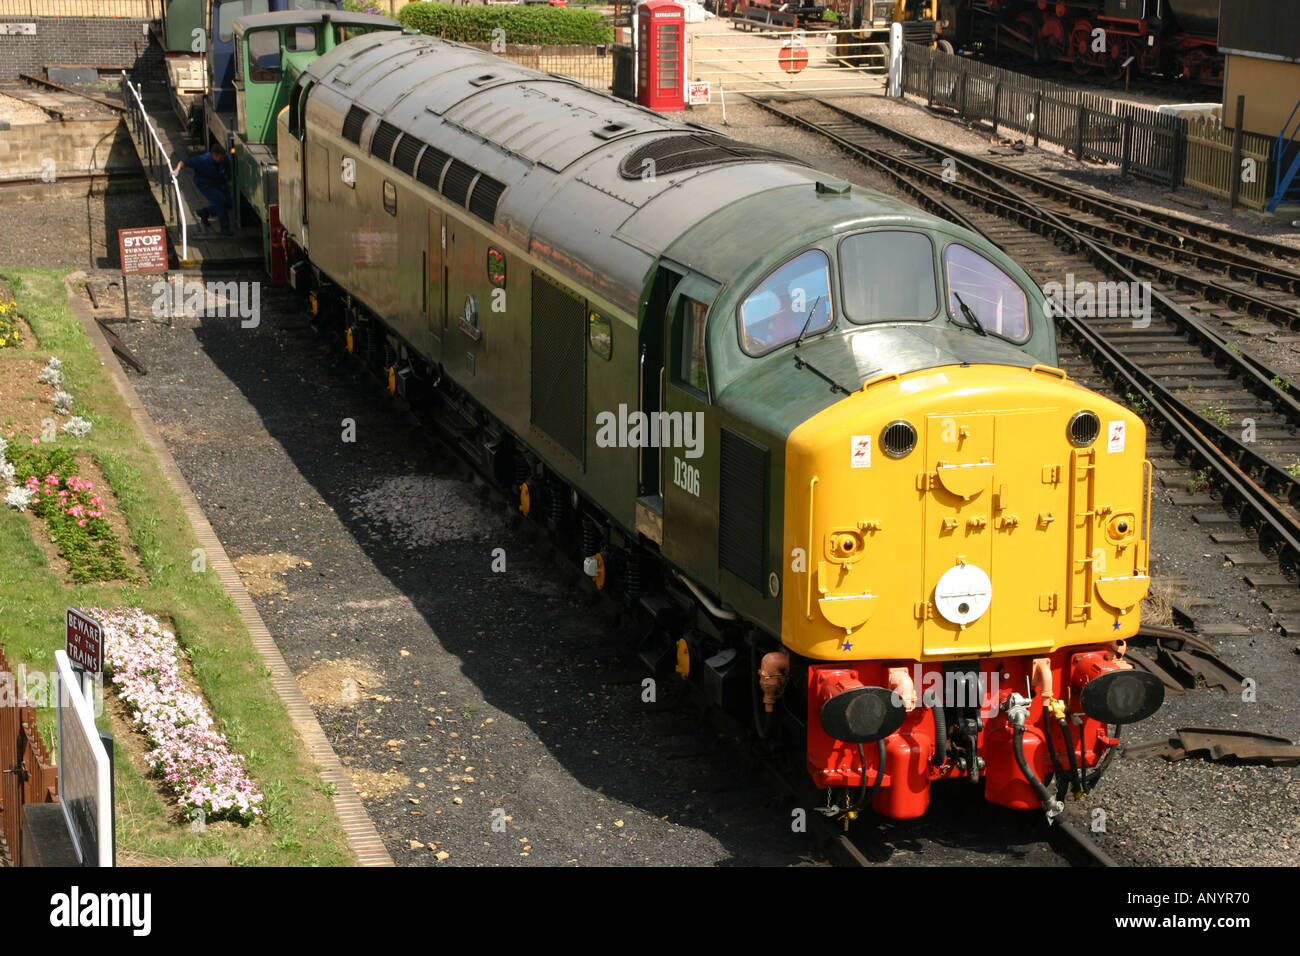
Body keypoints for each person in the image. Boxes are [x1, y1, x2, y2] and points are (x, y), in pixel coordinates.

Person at [174, 147, 233, 236]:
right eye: (220, 158)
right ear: (214, 155)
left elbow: (227, 172)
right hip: (205, 183)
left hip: (219, 182)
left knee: (229, 203)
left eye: (223, 158)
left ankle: (206, 212)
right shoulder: (202, 159)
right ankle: (225, 227)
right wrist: (177, 170)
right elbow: (184, 162)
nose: (222, 160)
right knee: (219, 199)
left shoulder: (224, 160)